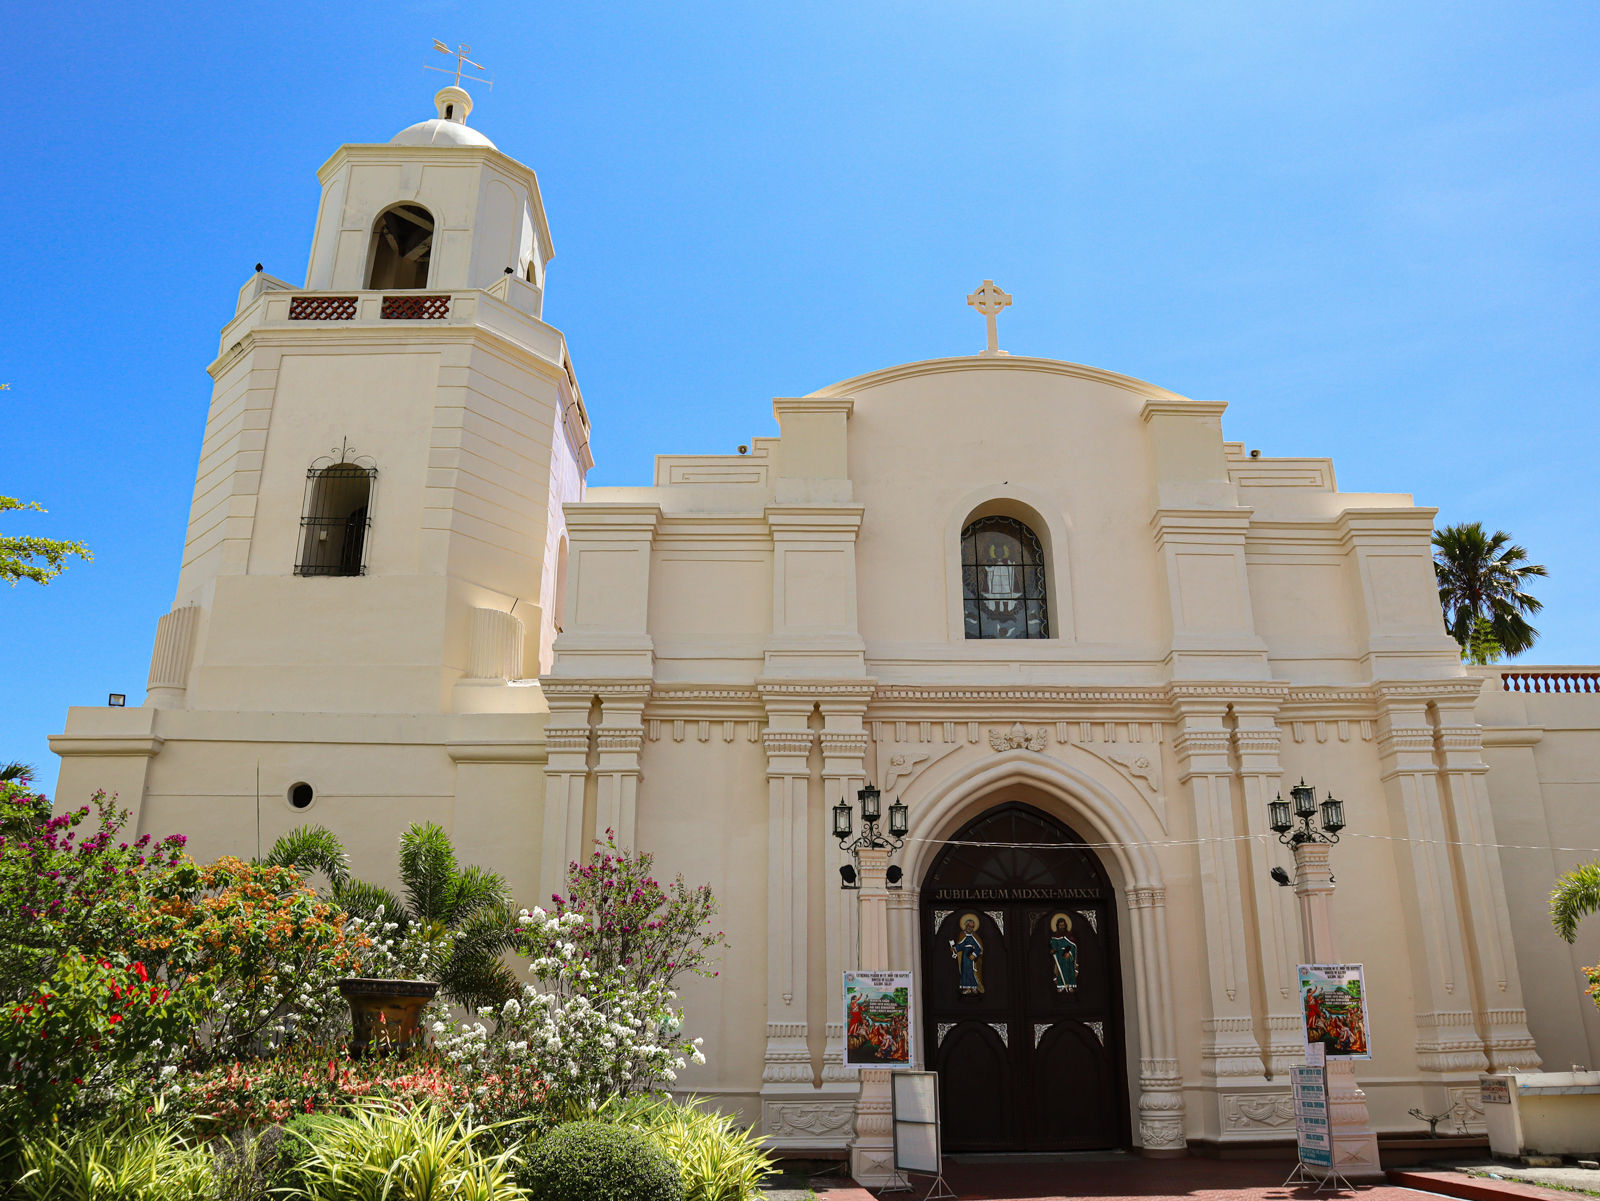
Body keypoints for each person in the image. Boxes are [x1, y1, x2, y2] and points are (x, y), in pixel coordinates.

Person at [951, 914, 984, 994]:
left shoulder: (974, 937)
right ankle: (968, 988)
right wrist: (955, 948)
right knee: (965, 972)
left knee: (972, 972)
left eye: (972, 927)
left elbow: (979, 948)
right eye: (969, 926)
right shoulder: (963, 936)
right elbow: (961, 945)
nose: (970, 928)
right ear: (965, 926)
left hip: (971, 958)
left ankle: (974, 987)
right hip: (965, 957)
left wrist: (974, 955)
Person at [1049, 913, 1078, 993]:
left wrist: (1070, 953)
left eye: (1063, 925)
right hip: (1059, 957)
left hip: (1068, 958)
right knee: (1060, 971)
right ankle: (1061, 986)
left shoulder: (1070, 936)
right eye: (1060, 925)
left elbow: (1073, 946)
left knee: (1069, 971)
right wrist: (1053, 950)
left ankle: (1070, 986)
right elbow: (1053, 946)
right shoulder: (1055, 936)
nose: (1062, 927)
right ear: (1057, 926)